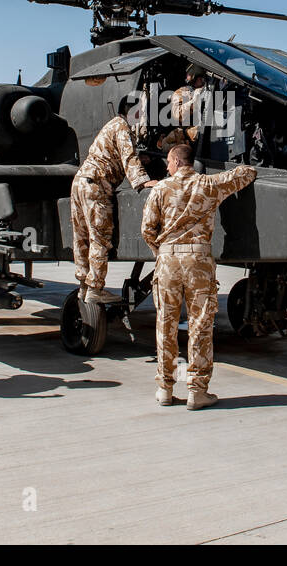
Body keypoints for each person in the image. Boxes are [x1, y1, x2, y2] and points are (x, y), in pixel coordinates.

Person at [141, 143, 256, 409]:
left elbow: (147, 229)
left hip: (168, 260)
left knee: (165, 324)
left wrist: (163, 251)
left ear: (177, 162)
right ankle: (197, 391)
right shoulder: (209, 185)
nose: (166, 167)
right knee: (200, 325)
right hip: (199, 260)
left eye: (168, 162)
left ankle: (165, 389)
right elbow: (246, 173)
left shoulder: (160, 189)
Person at [71, 98, 157, 304]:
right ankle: (95, 289)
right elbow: (128, 157)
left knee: (81, 238)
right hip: (97, 186)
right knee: (100, 237)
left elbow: (117, 155)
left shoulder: (112, 126)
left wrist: (144, 158)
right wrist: (142, 181)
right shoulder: (122, 126)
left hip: (81, 182)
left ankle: (84, 286)